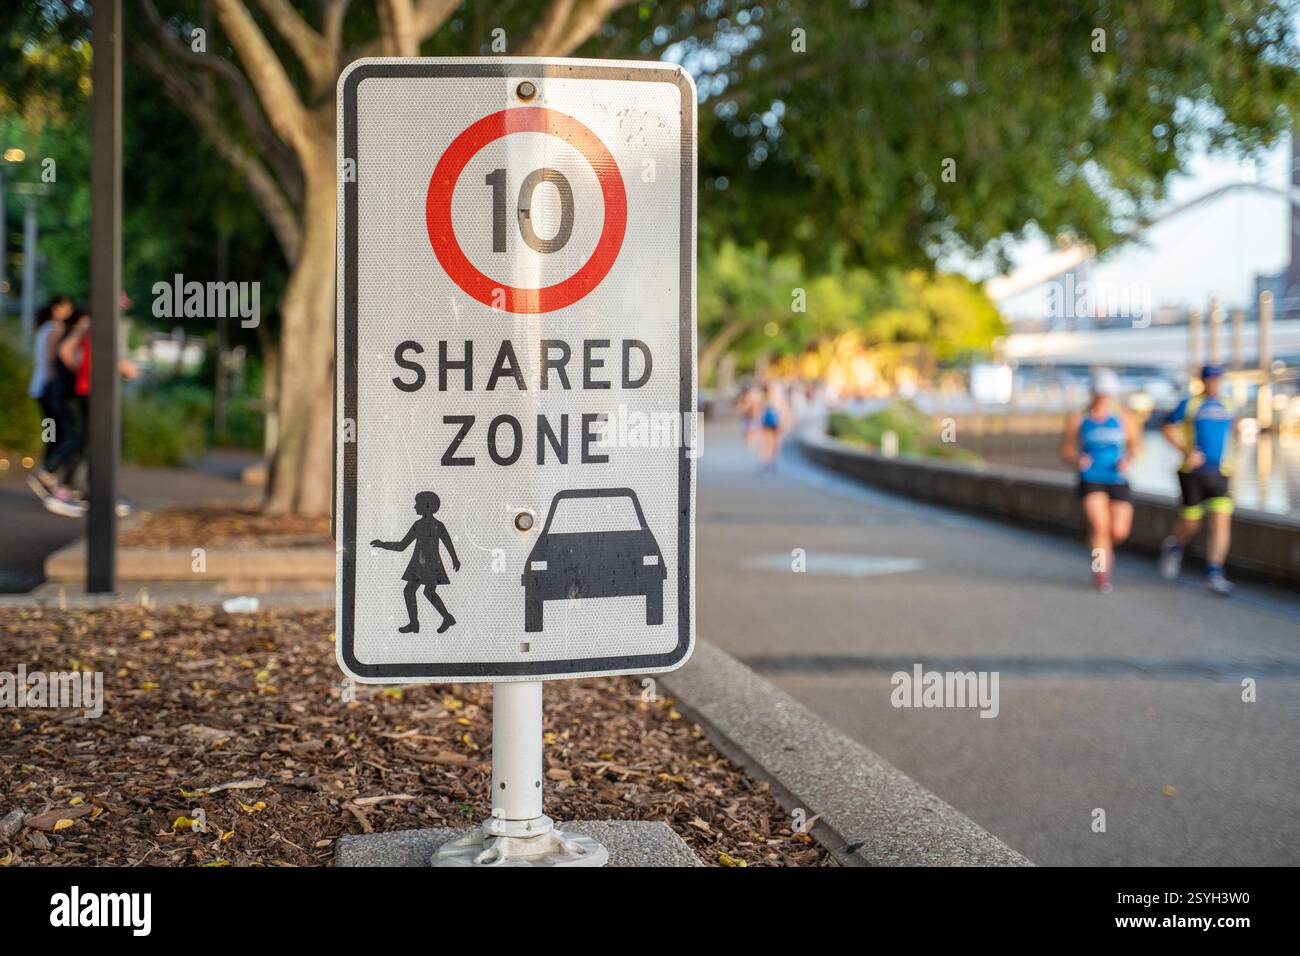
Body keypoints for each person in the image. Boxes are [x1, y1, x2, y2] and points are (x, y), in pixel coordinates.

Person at [1159, 365, 1236, 595]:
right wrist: (1184, 450)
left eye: (1218, 379)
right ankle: (1175, 548)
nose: (1215, 383)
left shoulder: (1228, 404)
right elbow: (1166, 426)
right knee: (1191, 523)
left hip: (1219, 472)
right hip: (1192, 472)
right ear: (1203, 381)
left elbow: (1233, 431)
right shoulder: (1190, 404)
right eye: (1211, 379)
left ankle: (1214, 573)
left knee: (1221, 522)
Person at [1061, 369, 1140, 593]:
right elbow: (1066, 449)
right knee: (1100, 526)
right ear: (1093, 392)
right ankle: (1101, 573)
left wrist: (1128, 459)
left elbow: (1136, 445)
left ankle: (1103, 551)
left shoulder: (1123, 417)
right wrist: (1078, 458)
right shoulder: (1079, 418)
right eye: (1099, 392)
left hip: (1117, 477)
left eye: (1107, 393)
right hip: (1091, 478)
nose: (1103, 397)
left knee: (1118, 532)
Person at [371, 491, 461, 634]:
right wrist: (383, 544)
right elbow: (402, 545)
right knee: (409, 591)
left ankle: (446, 618)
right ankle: (415, 623)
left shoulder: (438, 525)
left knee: (428, 592)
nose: (414, 507)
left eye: (417, 504)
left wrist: (455, 559)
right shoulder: (417, 525)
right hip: (418, 566)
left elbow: (448, 543)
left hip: (432, 566)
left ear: (427, 506)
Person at [26, 296, 76, 508]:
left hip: (39, 387)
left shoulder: (45, 327)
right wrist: (56, 382)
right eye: (66, 307)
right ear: (56, 308)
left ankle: (47, 473)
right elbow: (50, 359)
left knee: (51, 432)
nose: (69, 310)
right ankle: (46, 472)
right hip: (48, 388)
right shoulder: (55, 328)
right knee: (60, 433)